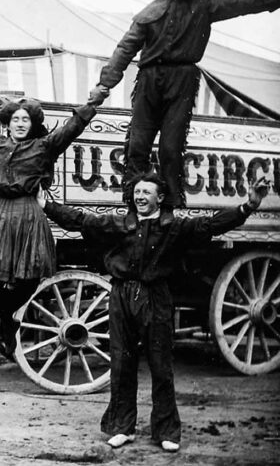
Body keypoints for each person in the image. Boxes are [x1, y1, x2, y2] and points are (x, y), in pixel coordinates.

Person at [41, 173, 269, 452]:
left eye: (146, 192)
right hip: (121, 295)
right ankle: (122, 427)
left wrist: (248, 206)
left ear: (159, 198)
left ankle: (166, 431)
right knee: (121, 365)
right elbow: (81, 220)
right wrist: (46, 205)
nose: (140, 197)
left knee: (161, 366)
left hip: (155, 297)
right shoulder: (120, 223)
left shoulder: (173, 227)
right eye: (137, 192)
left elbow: (210, 225)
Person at [95, 0, 280, 210]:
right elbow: (125, 49)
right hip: (149, 81)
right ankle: (131, 206)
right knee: (137, 146)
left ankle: (170, 205)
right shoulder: (147, 15)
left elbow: (243, 2)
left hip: (181, 81)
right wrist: (105, 84)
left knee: (171, 148)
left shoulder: (203, 6)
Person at [0, 89, 106, 356]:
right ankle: (8, 320)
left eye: (25, 119)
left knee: (30, 277)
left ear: (32, 124)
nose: (19, 123)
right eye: (15, 118)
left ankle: (15, 313)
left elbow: (71, 129)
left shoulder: (44, 146)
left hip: (30, 212)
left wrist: (93, 103)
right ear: (7, 123)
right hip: (1, 212)